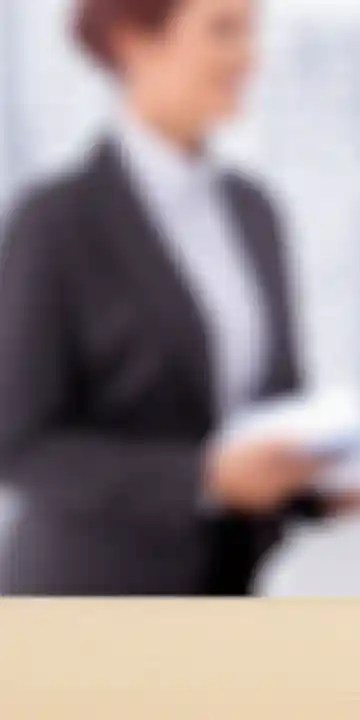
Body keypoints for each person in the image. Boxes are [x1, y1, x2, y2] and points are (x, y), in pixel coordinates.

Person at [0, 0, 331, 595]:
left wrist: (324, 477)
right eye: (223, 31)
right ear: (134, 41)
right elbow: (20, 444)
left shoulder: (254, 212)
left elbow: (275, 404)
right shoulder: (57, 222)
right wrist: (201, 479)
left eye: (252, 33)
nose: (249, 57)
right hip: (91, 599)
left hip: (235, 587)